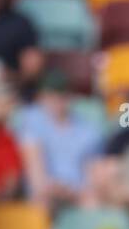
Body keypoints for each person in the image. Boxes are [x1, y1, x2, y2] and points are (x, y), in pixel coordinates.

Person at [16, 70, 104, 209]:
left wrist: (74, 192)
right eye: (50, 96)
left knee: (93, 203)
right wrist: (54, 188)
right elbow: (36, 177)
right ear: (41, 97)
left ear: (70, 96)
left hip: (77, 195)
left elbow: (92, 173)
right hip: (46, 196)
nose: (56, 101)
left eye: (61, 95)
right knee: (42, 201)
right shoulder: (31, 121)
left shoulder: (88, 130)